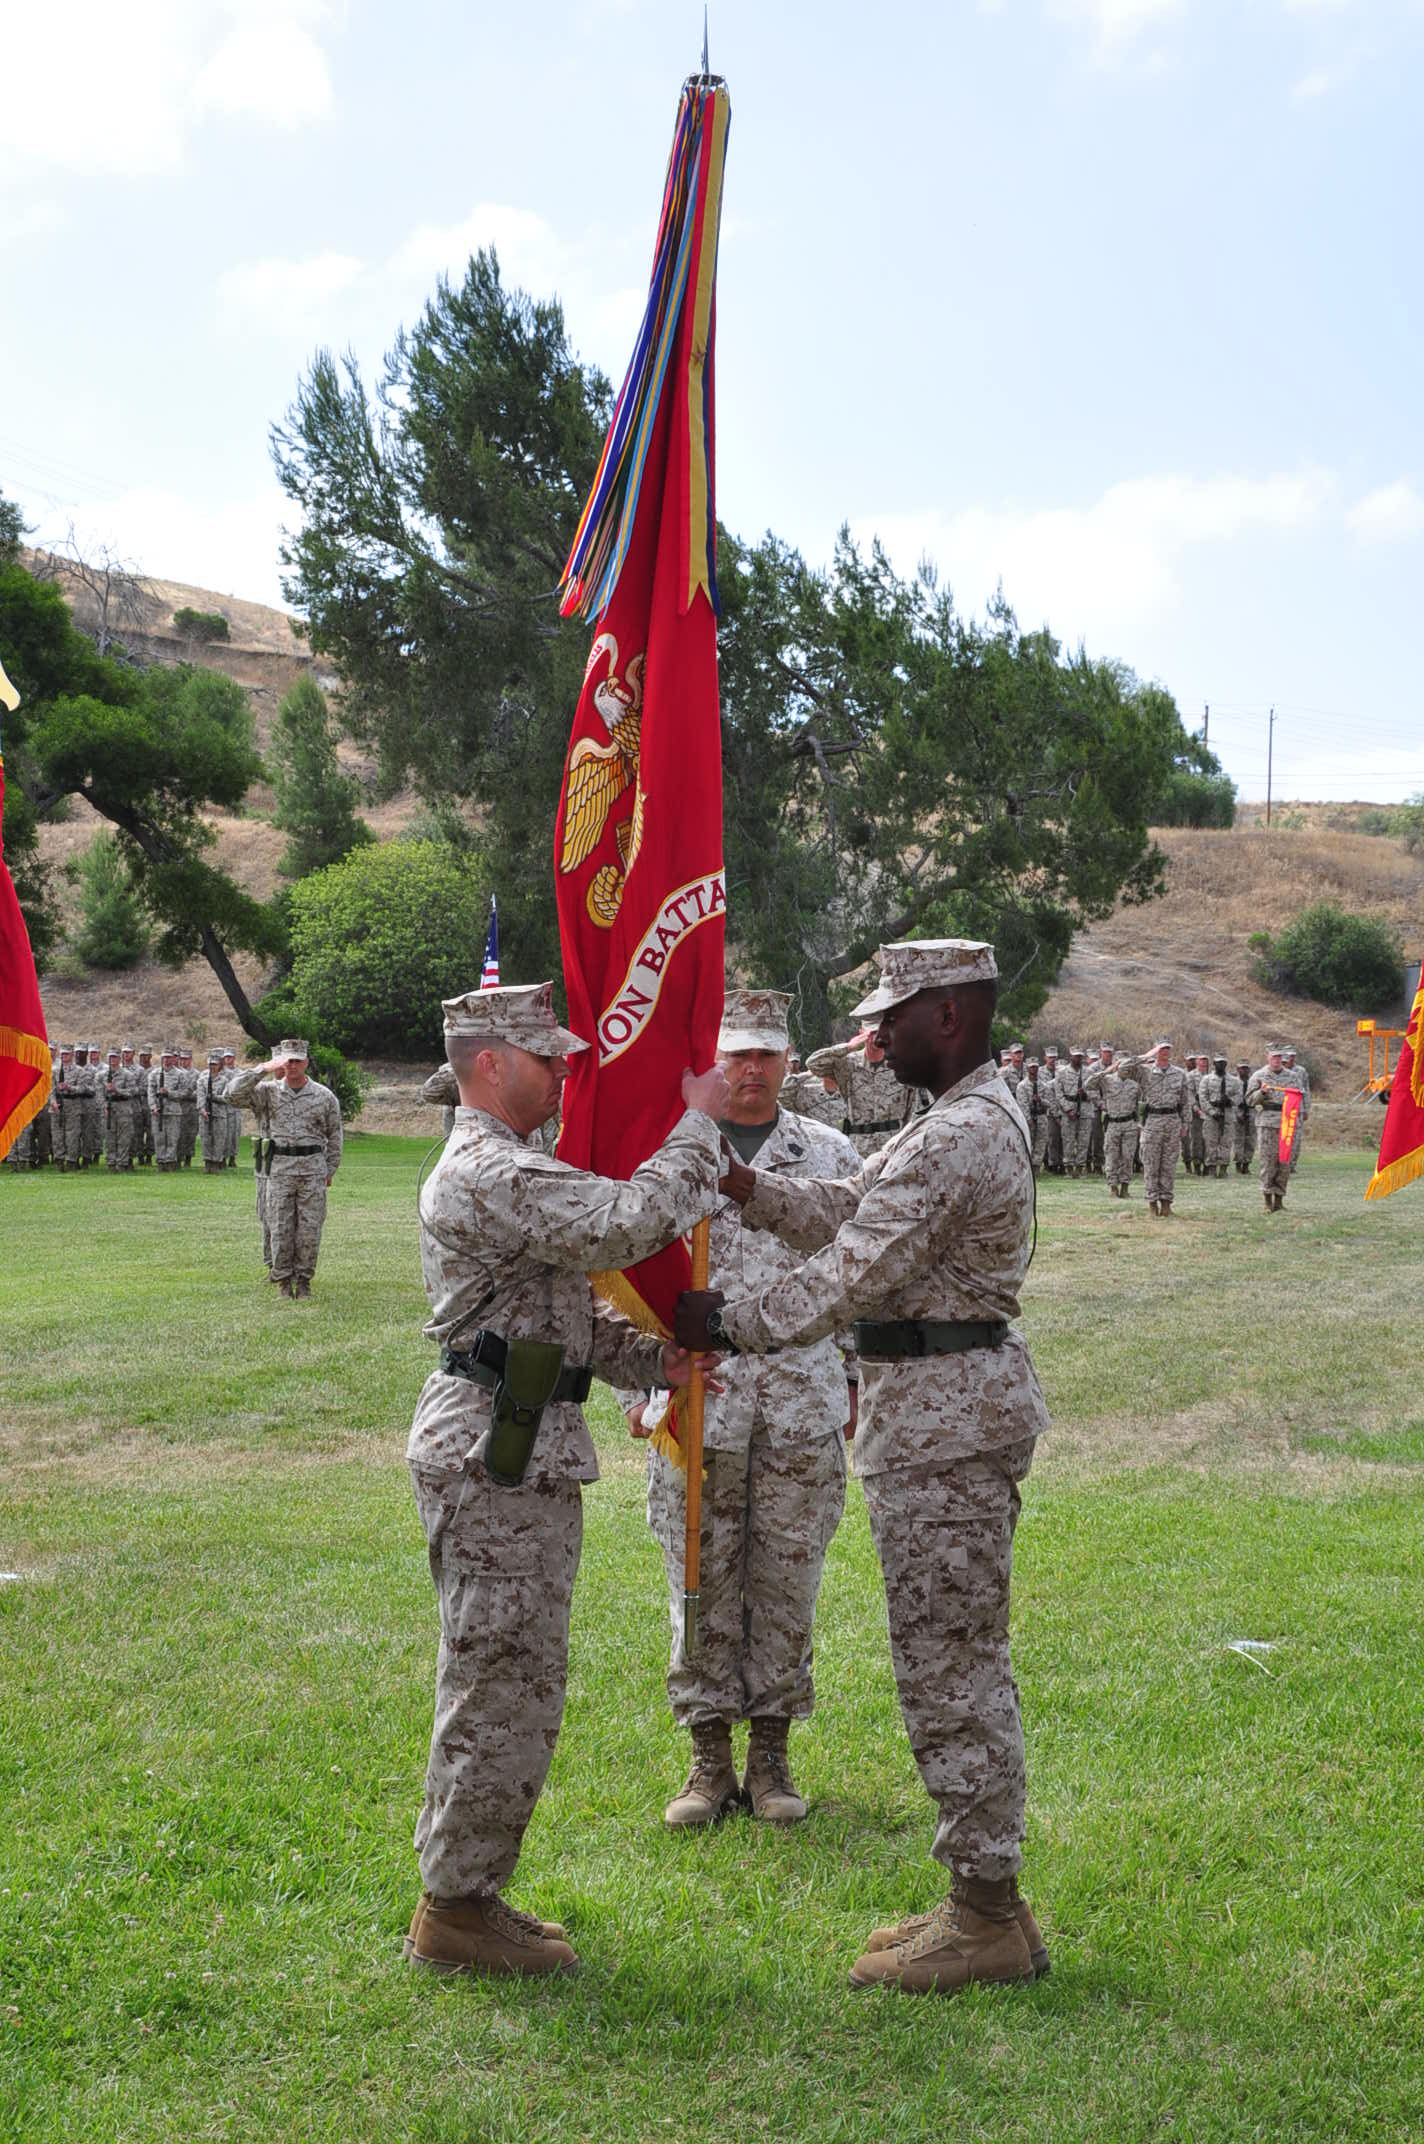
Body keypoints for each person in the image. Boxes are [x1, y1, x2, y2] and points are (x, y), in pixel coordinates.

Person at [675, 938, 1051, 1998]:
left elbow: (851, 1267)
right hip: (931, 1413)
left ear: (948, 1015)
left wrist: (731, 1322)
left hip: (946, 1422)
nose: (871, 1034)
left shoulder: (961, 1131)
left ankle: (982, 1912)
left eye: (890, 1015)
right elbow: (847, 1210)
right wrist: (745, 1184)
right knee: (948, 1653)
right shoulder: (950, 1120)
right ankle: (986, 1900)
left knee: (950, 1664)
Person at [403, 981, 728, 1978]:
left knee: (519, 1678)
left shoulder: (516, 1168)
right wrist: (696, 1124)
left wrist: (648, 1361)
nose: (566, 1072)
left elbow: (564, 1316)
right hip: (492, 1446)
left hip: (522, 1437)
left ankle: (472, 1893)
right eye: (547, 1057)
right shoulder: (481, 1170)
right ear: (491, 1063)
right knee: (496, 1677)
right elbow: (626, 1221)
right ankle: (453, 1908)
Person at [627, 989, 859, 1832]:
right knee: (697, 1580)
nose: (749, 1068)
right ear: (710, 1060)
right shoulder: (667, 1151)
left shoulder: (828, 1149)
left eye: (765, 1052)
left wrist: (855, 1380)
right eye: (735, 1053)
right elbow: (626, 1269)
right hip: (700, 1403)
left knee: (787, 1580)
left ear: (790, 1058)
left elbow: (860, 1268)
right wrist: (637, 1389)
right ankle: (708, 1757)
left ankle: (771, 1756)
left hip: (800, 1398)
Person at [226, 1040, 343, 1296]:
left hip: (312, 1170)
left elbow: (334, 1135)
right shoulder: (268, 1092)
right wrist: (262, 1069)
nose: (292, 1065)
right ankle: (282, 1280)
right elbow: (231, 1094)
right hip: (279, 1169)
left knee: (310, 1229)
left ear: (306, 1062)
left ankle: (303, 1280)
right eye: (287, 1060)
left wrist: (329, 1170)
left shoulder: (324, 1096)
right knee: (280, 1227)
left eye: (297, 1060)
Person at [806, 1030, 924, 1157]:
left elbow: (914, 1107)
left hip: (894, 1145)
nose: (875, 1038)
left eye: (879, 1031)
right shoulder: (847, 1064)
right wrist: (847, 1047)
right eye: (871, 1033)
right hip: (860, 1147)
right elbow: (813, 1063)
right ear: (862, 1032)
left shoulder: (900, 1063)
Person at [1120, 1041, 1191, 1217]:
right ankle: (1152, 1204)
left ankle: (1166, 1204)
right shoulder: (1145, 1071)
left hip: (1173, 1121)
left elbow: (1185, 1101)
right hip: (1152, 1122)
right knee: (1151, 1164)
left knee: (1168, 1165)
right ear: (1155, 1050)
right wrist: (1146, 1056)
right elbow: (1122, 1068)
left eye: (1167, 1048)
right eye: (1161, 1048)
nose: (1164, 1052)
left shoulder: (1179, 1074)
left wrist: (1186, 1124)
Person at [1082, 1048, 1142, 1198]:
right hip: (1113, 1124)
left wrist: (1139, 1124)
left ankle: (1125, 1187)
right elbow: (1088, 1085)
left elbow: (1139, 1106)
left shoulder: (1134, 1085)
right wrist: (1106, 1071)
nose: (1126, 1070)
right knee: (1111, 1156)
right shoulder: (1107, 1081)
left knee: (1127, 1157)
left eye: (1128, 1067)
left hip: (1129, 1124)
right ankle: (1113, 1188)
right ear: (1117, 1066)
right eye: (1123, 1066)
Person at [1246, 1046, 1294, 1212]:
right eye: (1274, 1057)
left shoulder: (1292, 1076)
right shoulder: (1259, 1076)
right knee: (1268, 1161)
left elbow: (1298, 1098)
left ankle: (1279, 1200)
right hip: (1267, 1121)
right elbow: (1250, 1101)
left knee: (1284, 1162)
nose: (1277, 1060)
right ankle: (1267, 1200)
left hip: (1287, 1122)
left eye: (1279, 1057)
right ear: (1267, 1057)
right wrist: (1262, 1092)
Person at [1196, 1055, 1240, 1179]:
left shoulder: (1234, 1080)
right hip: (1212, 1114)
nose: (1220, 1065)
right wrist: (1211, 1112)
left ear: (1226, 1064)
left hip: (1228, 1113)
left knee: (1226, 1142)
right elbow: (1202, 1098)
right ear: (1214, 1064)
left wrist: (1230, 1101)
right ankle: (1211, 1169)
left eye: (1223, 1063)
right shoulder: (1206, 1079)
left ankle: (1223, 1169)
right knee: (1211, 1142)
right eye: (1218, 1063)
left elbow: (1239, 1096)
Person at [1055, 1047, 1090, 1176]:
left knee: (1083, 1140)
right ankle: (1068, 1167)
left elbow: (1095, 1092)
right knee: (1068, 1139)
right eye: (1076, 1056)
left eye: (1080, 1056)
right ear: (1071, 1057)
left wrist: (1086, 1094)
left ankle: (1081, 1167)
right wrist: (1068, 1109)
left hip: (1085, 1108)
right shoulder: (1062, 1072)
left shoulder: (1088, 1072)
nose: (1078, 1058)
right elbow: (1058, 1094)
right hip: (1068, 1108)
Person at [1015, 1058, 1052, 1172]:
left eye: (1035, 1067)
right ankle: (1027, 1167)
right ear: (1027, 1068)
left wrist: (1041, 1100)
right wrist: (1028, 1119)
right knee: (1028, 1142)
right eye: (1031, 1067)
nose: (1033, 1069)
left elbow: (1049, 1103)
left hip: (1041, 1116)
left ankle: (1036, 1167)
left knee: (1040, 1142)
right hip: (1029, 1117)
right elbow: (1022, 1104)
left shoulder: (1044, 1086)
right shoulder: (1022, 1086)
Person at [148, 1048, 180, 1172]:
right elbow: (150, 1092)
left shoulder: (179, 1074)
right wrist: (153, 1107)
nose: (166, 1060)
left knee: (172, 1138)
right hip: (158, 1111)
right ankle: (161, 1162)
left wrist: (169, 1093)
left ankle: (170, 1162)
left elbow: (184, 1093)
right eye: (164, 1057)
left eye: (169, 1057)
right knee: (159, 1138)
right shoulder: (154, 1074)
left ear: (173, 1059)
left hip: (173, 1111)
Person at [172, 1047, 199, 1168]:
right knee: (178, 1134)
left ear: (191, 1060)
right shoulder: (176, 1073)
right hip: (179, 1106)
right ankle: (178, 1157)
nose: (183, 1061)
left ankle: (188, 1158)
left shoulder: (197, 1074)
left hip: (192, 1108)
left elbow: (199, 1092)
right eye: (181, 1059)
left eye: (186, 1059)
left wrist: (187, 1094)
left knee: (191, 1134)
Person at [200, 1052, 226, 1173]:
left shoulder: (224, 1080)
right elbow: (200, 1097)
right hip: (205, 1114)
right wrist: (202, 1110)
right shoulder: (202, 1080)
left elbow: (226, 1098)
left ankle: (216, 1163)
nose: (212, 1067)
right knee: (206, 1139)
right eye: (210, 1064)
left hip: (219, 1114)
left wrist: (214, 1097)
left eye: (215, 1064)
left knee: (218, 1139)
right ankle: (207, 1163)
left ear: (219, 1065)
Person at [1232, 1060, 1256, 1174]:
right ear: (1237, 1069)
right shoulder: (1233, 1082)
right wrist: (1236, 1114)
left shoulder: (1254, 1081)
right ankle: (1238, 1164)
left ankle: (1246, 1164)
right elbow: (1230, 1100)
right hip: (1238, 1111)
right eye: (1242, 1068)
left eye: (1246, 1068)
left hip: (1251, 1112)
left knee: (1250, 1140)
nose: (1244, 1070)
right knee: (1238, 1140)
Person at [133, 1049, 155, 1167]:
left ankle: (149, 1155)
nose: (143, 1058)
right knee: (138, 1131)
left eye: (146, 1055)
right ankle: (140, 1155)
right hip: (137, 1103)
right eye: (141, 1055)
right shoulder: (136, 1070)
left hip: (149, 1103)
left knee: (151, 1132)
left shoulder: (155, 1071)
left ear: (150, 1056)